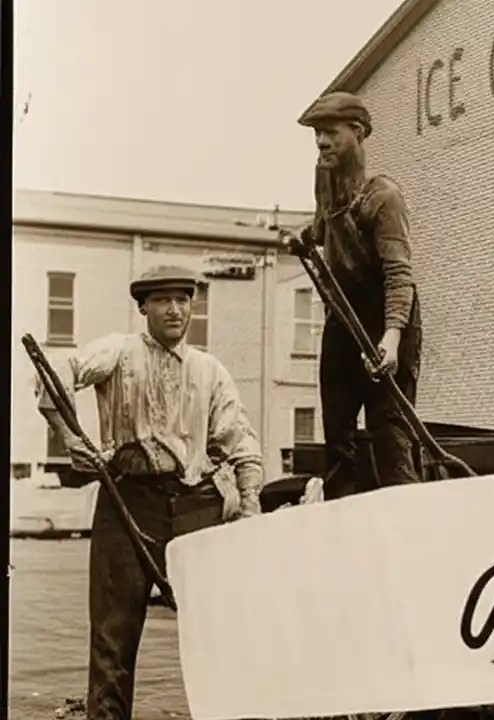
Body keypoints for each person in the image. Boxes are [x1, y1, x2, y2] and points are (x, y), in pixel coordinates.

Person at [35, 265, 265, 720]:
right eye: (162, 300)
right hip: (127, 503)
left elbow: (241, 441)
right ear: (143, 308)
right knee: (112, 636)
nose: (174, 309)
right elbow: (54, 375)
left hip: (196, 505)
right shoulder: (118, 354)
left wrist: (250, 504)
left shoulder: (209, 370)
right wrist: (68, 435)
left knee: (216, 630)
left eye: (183, 300)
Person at [289, 90, 424, 496]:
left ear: (358, 133)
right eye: (316, 135)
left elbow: (400, 274)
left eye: (329, 132)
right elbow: (324, 226)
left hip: (385, 315)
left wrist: (392, 338)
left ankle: (406, 520)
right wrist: (306, 237)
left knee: (390, 438)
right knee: (338, 441)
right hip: (343, 315)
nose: (321, 142)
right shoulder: (324, 177)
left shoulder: (384, 198)